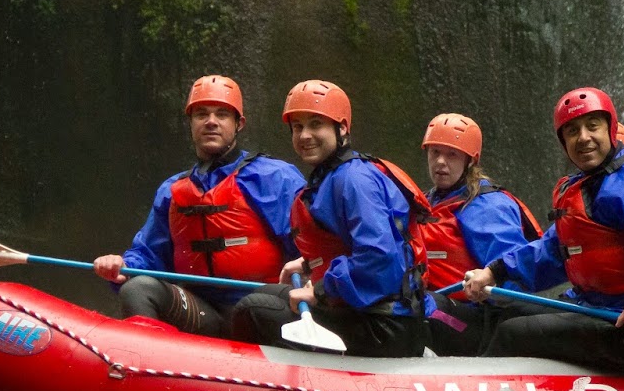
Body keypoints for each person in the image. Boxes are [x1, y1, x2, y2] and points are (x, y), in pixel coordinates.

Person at [461, 87, 624, 375]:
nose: (583, 138)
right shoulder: (588, 183)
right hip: (598, 309)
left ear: (611, 128)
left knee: (512, 333)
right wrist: (495, 272)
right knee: (509, 311)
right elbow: (555, 250)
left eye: (593, 126)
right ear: (563, 142)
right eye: (572, 131)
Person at [229, 80, 429, 357]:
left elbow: (378, 257)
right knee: (268, 292)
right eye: (297, 127)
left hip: (383, 326)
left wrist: (320, 291)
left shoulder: (354, 179)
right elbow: (351, 244)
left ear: (342, 128)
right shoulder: (332, 175)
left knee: (251, 309)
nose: (304, 135)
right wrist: (309, 264)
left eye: (315, 124)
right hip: (367, 312)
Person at [94, 75, 305, 337]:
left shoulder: (273, 177)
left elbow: (310, 249)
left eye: (222, 115)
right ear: (191, 123)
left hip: (262, 309)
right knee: (137, 289)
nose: (211, 122)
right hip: (203, 311)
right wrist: (120, 267)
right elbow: (147, 258)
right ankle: (148, 367)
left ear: (239, 124)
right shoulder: (171, 191)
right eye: (201, 114)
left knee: (251, 307)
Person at [417, 112, 542, 356]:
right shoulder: (425, 201)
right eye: (435, 152)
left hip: (481, 323)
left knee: (416, 307)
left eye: (452, 154)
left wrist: (486, 287)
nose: (441, 161)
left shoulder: (487, 207)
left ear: (470, 160)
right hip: (442, 308)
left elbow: (516, 284)